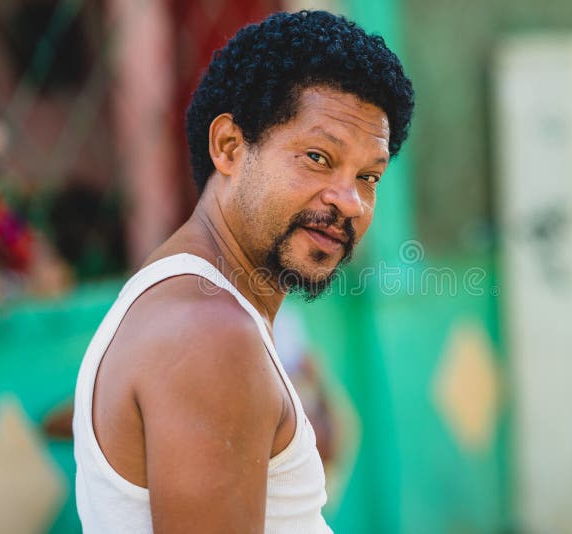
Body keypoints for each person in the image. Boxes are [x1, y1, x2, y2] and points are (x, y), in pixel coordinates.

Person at [72, 9, 414, 533]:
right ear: (229, 147)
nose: (350, 202)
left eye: (369, 176)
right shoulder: (209, 334)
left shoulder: (193, 301)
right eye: (319, 157)